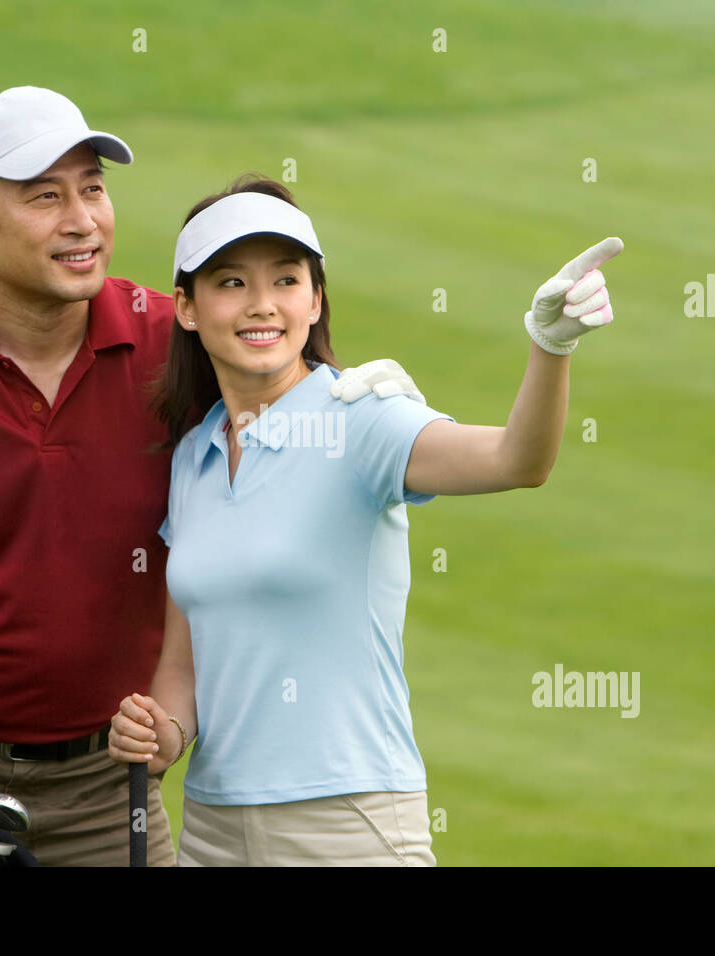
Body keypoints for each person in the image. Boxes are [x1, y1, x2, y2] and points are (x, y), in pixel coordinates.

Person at [0, 87, 420, 866]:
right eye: (45, 197)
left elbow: (287, 385)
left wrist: (354, 401)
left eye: (93, 189)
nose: (83, 220)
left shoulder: (175, 344)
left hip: (115, 791)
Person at [108, 174, 623, 865]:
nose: (262, 305)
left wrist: (550, 347)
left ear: (315, 301)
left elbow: (514, 460)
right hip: (212, 829)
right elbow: (185, 664)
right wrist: (159, 734)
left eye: (286, 281)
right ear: (189, 308)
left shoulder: (362, 415)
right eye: (231, 283)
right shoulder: (193, 454)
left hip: (349, 821)